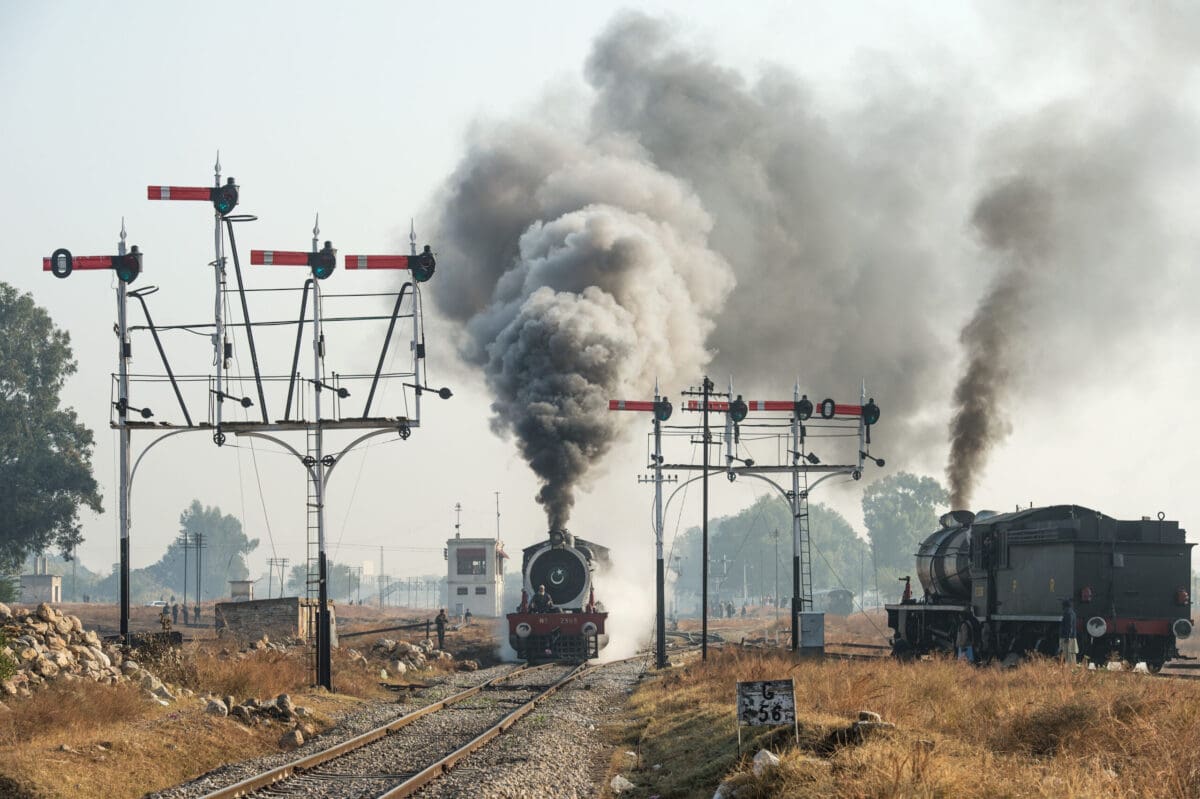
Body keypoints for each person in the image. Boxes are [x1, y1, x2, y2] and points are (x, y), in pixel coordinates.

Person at [1059, 599, 1078, 666]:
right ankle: (1072, 667)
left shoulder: (1067, 613)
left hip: (1067, 638)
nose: (1062, 607)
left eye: (1063, 605)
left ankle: (1070, 668)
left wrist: (1067, 637)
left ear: (1065, 606)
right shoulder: (1072, 613)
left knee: (1068, 654)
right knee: (1071, 654)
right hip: (1071, 637)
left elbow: (1069, 626)